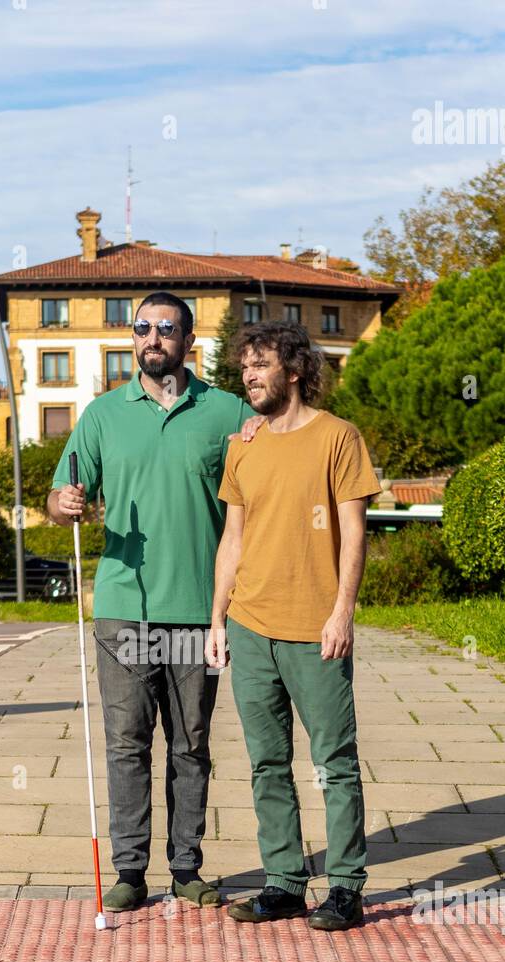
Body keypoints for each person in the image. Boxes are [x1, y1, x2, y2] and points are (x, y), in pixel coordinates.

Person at [48, 292, 253, 910]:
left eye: (167, 328)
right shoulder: (103, 415)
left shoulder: (227, 413)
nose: (153, 337)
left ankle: (187, 868)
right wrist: (64, 505)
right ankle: (129, 872)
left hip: (199, 610)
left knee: (191, 744)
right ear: (131, 338)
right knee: (126, 741)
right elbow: (60, 497)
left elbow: (264, 485)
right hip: (123, 605)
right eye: (142, 328)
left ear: (189, 341)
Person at [205, 321, 380, 929]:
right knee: (266, 761)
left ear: (295, 370)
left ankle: (346, 887)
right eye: (244, 366)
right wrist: (217, 618)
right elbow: (233, 538)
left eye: (260, 365)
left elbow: (354, 533)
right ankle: (282, 881)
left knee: (334, 760)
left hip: (316, 629)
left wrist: (342, 612)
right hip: (251, 627)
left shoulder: (339, 438)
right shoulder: (242, 444)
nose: (248, 376)